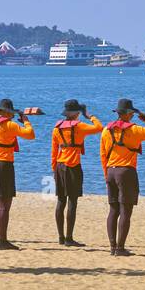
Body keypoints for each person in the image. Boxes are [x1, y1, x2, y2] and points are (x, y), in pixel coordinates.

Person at [100, 98, 145, 256]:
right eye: (132, 114)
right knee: (126, 211)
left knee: (113, 210)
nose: (133, 116)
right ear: (128, 113)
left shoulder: (106, 130)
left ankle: (112, 247)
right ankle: (120, 248)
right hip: (126, 172)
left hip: (111, 171)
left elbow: (103, 154)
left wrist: (106, 173)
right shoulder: (134, 130)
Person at [0, 97, 36, 250]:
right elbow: (30, 134)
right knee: (4, 205)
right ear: (8, 113)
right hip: (4, 164)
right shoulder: (10, 125)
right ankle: (3, 241)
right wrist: (26, 121)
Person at [51, 98, 103, 246]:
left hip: (60, 166)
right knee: (72, 201)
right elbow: (99, 128)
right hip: (73, 166)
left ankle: (61, 237)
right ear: (76, 113)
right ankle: (69, 238)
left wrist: (54, 167)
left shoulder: (57, 128)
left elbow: (54, 151)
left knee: (61, 201)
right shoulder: (80, 126)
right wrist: (90, 116)